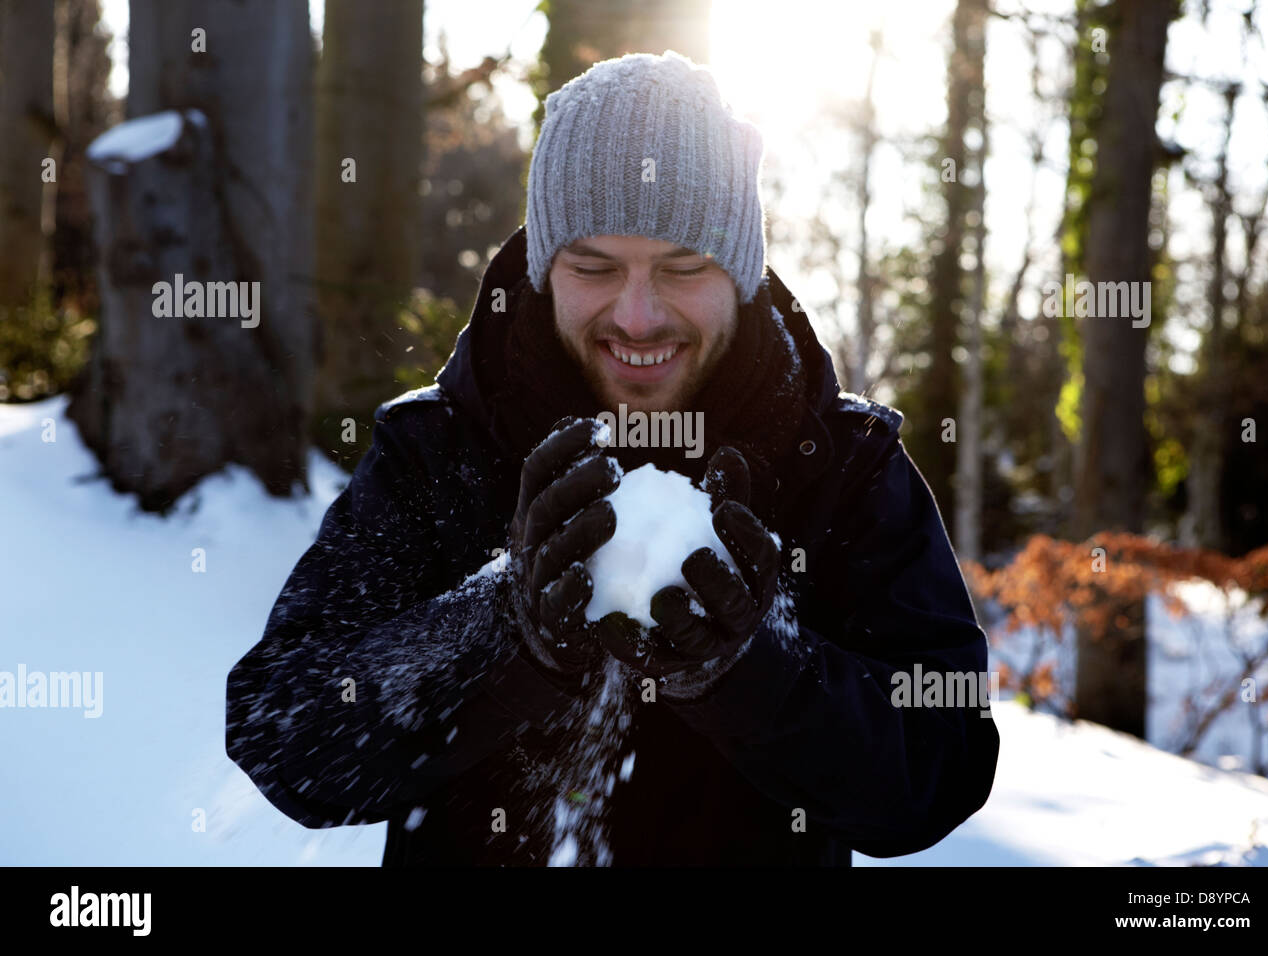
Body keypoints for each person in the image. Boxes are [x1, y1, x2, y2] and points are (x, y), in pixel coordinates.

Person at [225, 50, 999, 866]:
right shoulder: (439, 449)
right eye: (593, 266)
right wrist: (497, 635)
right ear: (545, 269)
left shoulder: (840, 466)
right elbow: (284, 731)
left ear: (738, 273)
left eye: (682, 267)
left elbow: (942, 766)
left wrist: (762, 671)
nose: (637, 316)